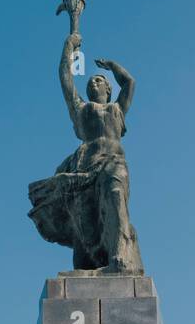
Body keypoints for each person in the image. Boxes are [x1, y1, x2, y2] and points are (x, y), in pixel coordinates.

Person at [28, 32, 144, 273]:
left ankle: (119, 260)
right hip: (83, 170)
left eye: (100, 80)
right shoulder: (81, 109)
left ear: (109, 89)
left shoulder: (117, 109)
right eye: (91, 81)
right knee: (85, 224)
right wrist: (68, 47)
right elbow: (65, 78)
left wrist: (112, 66)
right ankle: (91, 265)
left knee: (114, 195)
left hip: (113, 163)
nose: (94, 82)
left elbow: (130, 83)